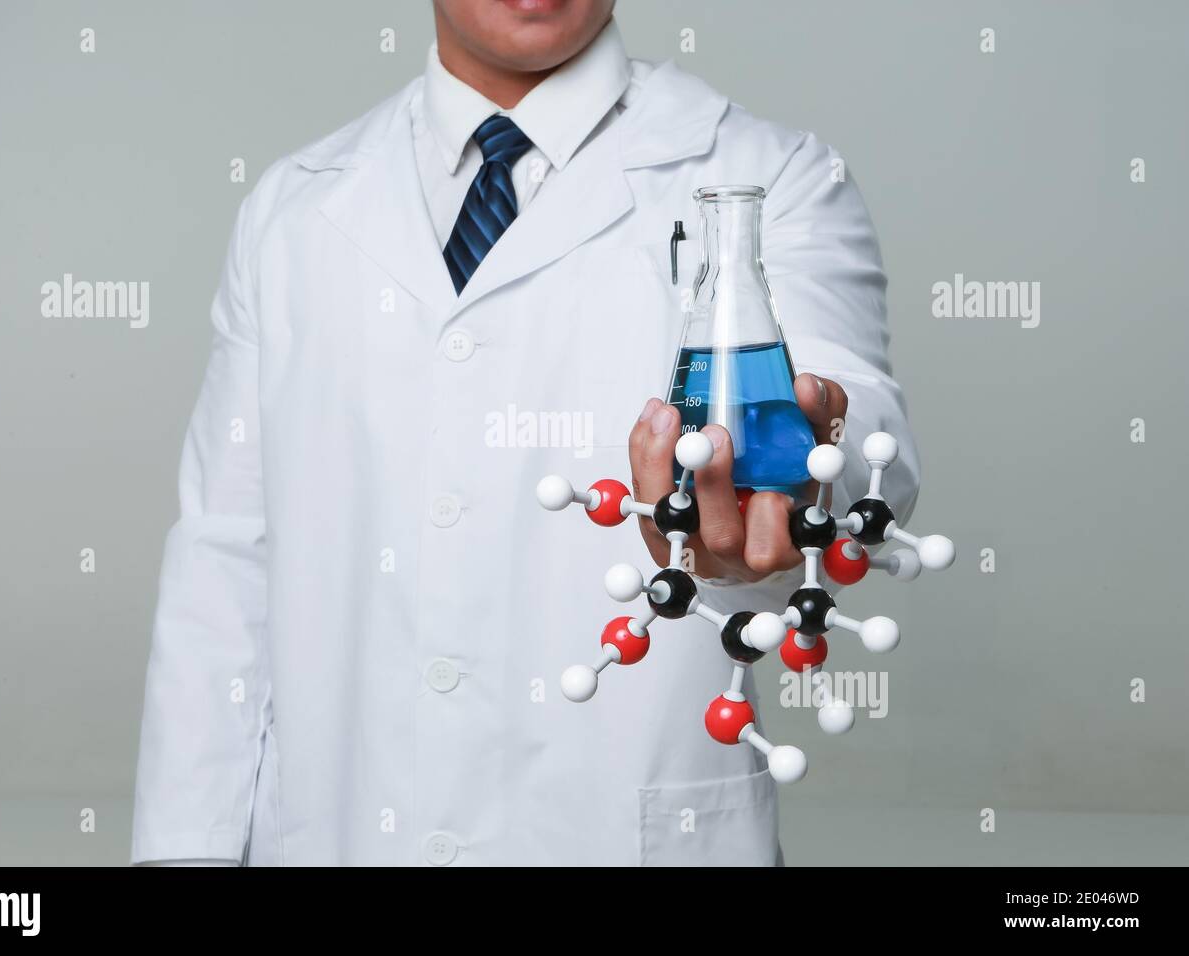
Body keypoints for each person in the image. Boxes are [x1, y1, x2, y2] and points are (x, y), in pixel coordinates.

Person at [132, 0, 918, 866]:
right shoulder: (294, 206)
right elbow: (225, 557)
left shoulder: (772, 174)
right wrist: (185, 849)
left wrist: (804, 483)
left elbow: (848, 411)